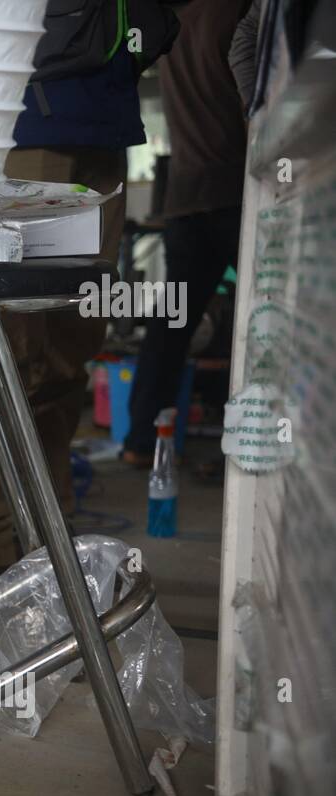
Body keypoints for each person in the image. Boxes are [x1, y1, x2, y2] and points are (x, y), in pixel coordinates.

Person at [0, 27, 146, 605]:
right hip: (25, 118)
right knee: (1, 353)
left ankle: (47, 541)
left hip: (102, 125)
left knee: (66, 354)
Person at [123, 0, 251, 467]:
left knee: (170, 327)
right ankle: (265, 441)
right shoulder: (236, 13)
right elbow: (252, 102)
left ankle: (139, 442)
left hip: (185, 199)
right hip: (239, 193)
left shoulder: (174, 24)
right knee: (265, 317)